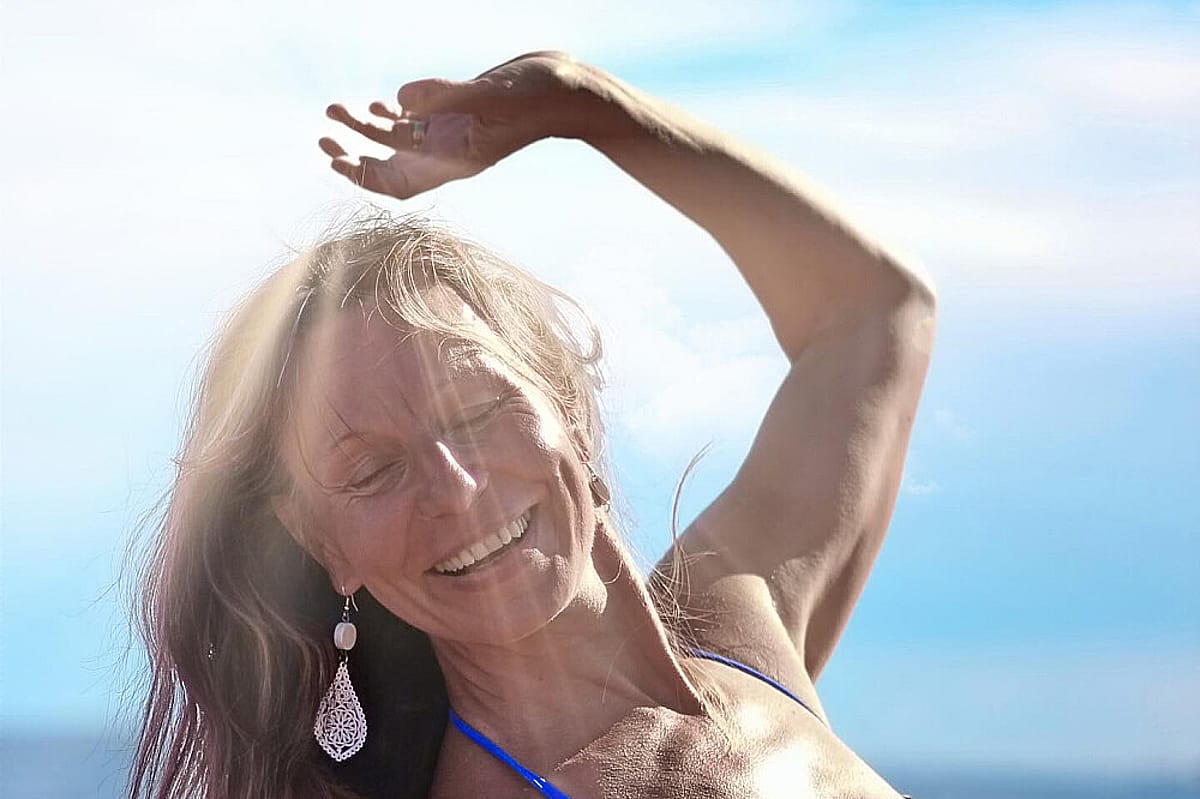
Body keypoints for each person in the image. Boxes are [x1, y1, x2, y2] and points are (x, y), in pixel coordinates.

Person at [128, 51, 936, 799]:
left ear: (566, 405)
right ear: (323, 542)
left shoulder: (740, 637)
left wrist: (583, 102)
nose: (459, 486)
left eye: (477, 411)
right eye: (374, 470)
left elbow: (875, 310)